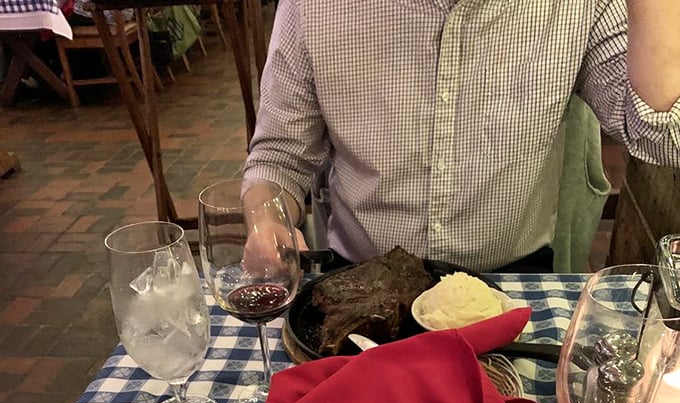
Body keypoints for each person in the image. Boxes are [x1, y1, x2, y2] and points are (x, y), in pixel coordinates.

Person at [243, 0, 680, 273]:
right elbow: (281, 155)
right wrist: (267, 220)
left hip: (509, 281)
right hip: (360, 280)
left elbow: (664, 137)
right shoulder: (313, 7)